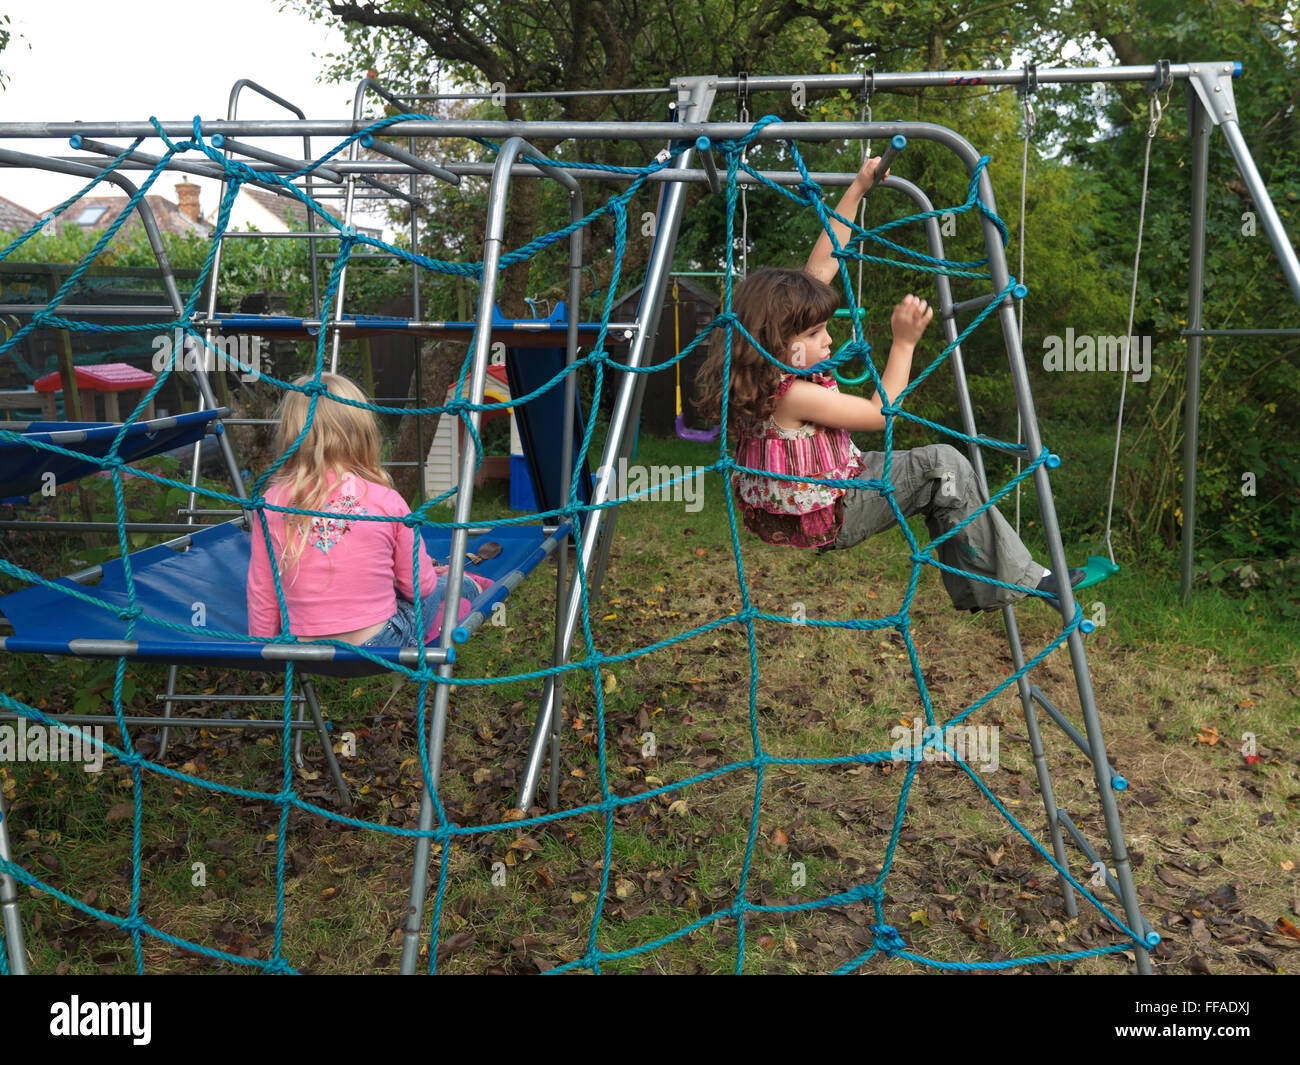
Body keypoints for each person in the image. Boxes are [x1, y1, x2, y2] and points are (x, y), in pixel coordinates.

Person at [695, 157, 1082, 613]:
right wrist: (904, 343)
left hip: (809, 496)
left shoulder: (762, 369)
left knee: (942, 483)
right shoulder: (794, 394)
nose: (829, 338)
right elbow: (881, 414)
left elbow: (822, 265)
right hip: (830, 513)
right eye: (816, 334)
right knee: (944, 464)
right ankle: (1032, 580)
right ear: (778, 339)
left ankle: (985, 585)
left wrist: (858, 188)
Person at [246, 373, 488, 644]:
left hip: (302, 647)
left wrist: (263, 649)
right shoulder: (386, 500)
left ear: (291, 434)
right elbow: (417, 587)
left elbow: (263, 589)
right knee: (435, 588)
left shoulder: (271, 502)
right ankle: (468, 586)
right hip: (379, 642)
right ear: (363, 434)